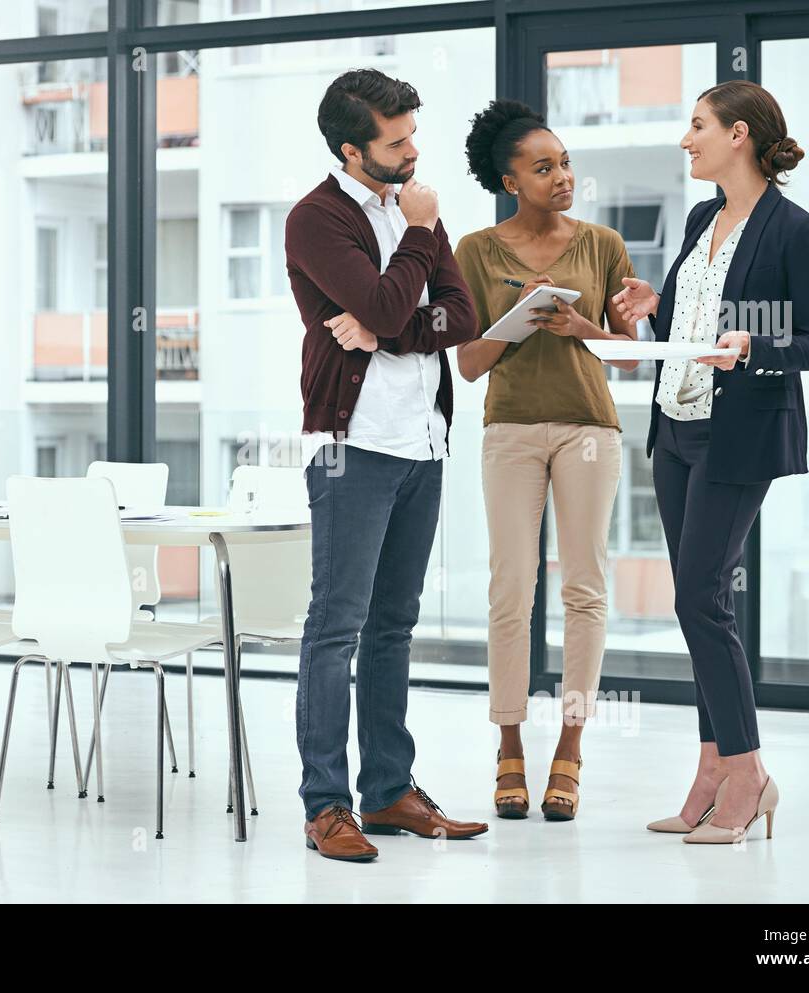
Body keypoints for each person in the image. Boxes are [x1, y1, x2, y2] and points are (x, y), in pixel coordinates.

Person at [614, 80, 809, 844]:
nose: (687, 138)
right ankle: (712, 767)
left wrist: (756, 347)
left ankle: (747, 773)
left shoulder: (795, 231)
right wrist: (655, 301)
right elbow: (694, 322)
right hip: (676, 426)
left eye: (698, 125)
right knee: (701, 599)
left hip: (739, 435)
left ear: (738, 134)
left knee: (699, 598)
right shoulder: (703, 217)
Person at [283, 68, 487, 862]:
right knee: (337, 626)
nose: (413, 151)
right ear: (351, 149)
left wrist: (385, 324)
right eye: (396, 141)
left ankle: (390, 790)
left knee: (395, 625)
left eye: (412, 136)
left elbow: (458, 318)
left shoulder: (412, 205)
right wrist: (416, 248)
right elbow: (387, 305)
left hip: (422, 443)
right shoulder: (317, 220)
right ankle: (326, 804)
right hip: (352, 446)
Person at [453, 100, 642, 822]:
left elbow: (625, 355)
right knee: (511, 585)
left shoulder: (602, 243)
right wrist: (518, 321)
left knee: (584, 586)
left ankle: (570, 744)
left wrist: (581, 323)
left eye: (564, 162)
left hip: (588, 427)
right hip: (510, 429)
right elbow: (468, 364)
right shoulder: (475, 250)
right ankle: (508, 745)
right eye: (544, 167)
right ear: (511, 181)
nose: (563, 176)